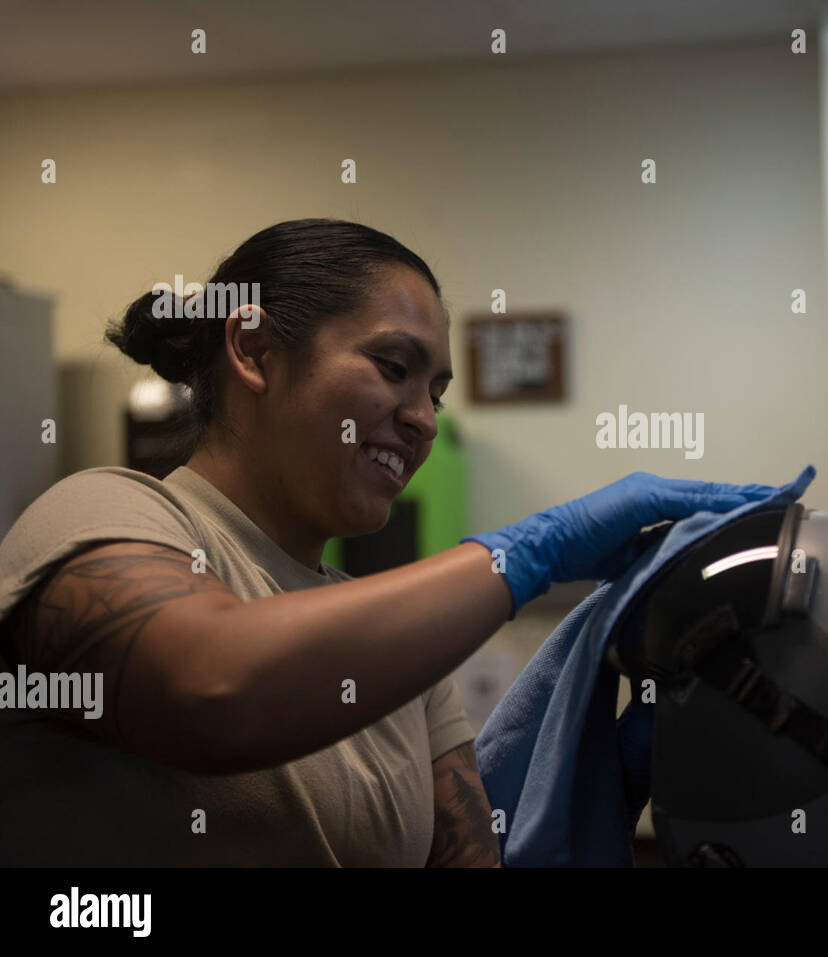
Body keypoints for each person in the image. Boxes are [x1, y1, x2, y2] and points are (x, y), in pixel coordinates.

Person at [0, 219, 774, 867]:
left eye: (435, 392)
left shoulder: (397, 648)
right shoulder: (100, 513)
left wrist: (603, 777)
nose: (423, 420)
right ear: (255, 350)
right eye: (394, 368)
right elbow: (214, 688)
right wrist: (532, 553)